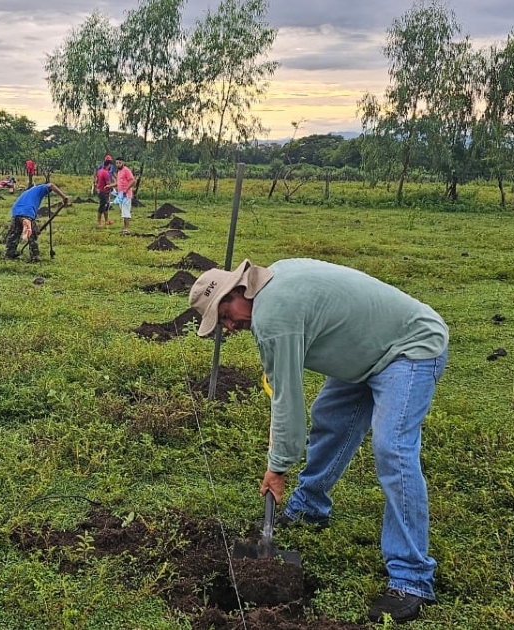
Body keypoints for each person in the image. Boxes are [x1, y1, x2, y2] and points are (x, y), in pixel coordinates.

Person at [188, 258, 449, 624]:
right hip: (364, 354)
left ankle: (411, 579)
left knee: (393, 449)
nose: (230, 327)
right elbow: (281, 385)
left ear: (238, 291)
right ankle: (309, 508)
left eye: (225, 316)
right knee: (330, 419)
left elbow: (288, 401)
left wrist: (278, 467)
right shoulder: (273, 279)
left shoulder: (273, 316)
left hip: (409, 347)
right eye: (222, 324)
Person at [3, 182, 69, 262]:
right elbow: (51, 185)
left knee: (14, 235)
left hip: (16, 212)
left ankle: (9, 254)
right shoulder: (40, 188)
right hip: (27, 212)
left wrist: (35, 229)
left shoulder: (28, 192)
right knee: (32, 236)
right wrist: (64, 197)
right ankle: (35, 257)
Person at [114, 157, 135, 235]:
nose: (118, 164)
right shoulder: (119, 172)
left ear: (123, 163)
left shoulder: (126, 170)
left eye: (119, 163)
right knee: (123, 212)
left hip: (126, 194)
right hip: (120, 195)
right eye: (117, 163)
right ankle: (125, 228)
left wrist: (126, 189)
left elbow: (132, 180)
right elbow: (118, 183)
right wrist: (109, 186)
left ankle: (127, 229)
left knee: (125, 211)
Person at [94, 157, 114, 227]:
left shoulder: (99, 171)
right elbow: (108, 184)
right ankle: (98, 222)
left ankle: (106, 221)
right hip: (104, 192)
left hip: (101, 191)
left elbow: (96, 181)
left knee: (106, 206)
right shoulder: (106, 173)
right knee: (102, 206)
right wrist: (112, 188)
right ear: (109, 165)